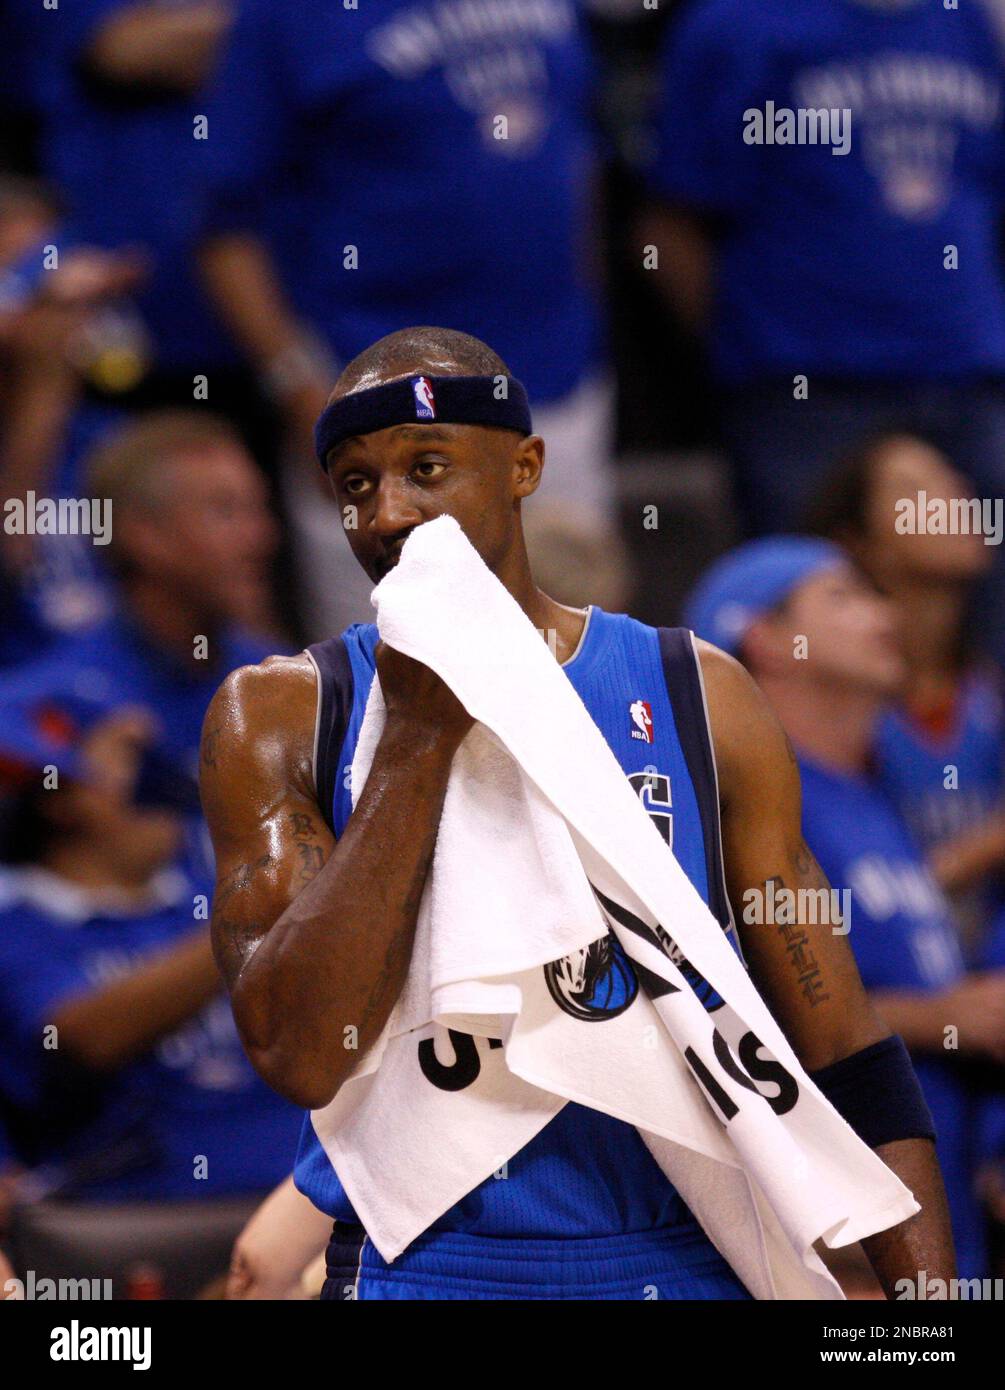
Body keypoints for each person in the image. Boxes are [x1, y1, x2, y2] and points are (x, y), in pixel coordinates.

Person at [200, 324, 951, 1301]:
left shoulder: (697, 691)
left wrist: (929, 1309)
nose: (386, 513)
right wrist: (419, 745)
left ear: (525, 465)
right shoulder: (283, 712)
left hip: (684, 1255)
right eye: (353, 486)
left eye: (426, 467)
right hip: (430, 1266)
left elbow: (841, 1040)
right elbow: (303, 1051)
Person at [197, 0, 611, 639]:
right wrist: (298, 390)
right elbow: (226, 230)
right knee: (389, 686)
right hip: (379, 410)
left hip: (552, 382)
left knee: (571, 670)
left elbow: (572, 151)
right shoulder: (286, 17)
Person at [642, 0, 1005, 665]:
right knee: (813, 639)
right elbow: (672, 224)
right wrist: (749, 356)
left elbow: (978, 187)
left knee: (983, 633)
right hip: (803, 391)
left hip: (964, 372)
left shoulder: (962, 20)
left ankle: (955, 770)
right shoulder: (738, 25)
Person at [685, 536, 1005, 1279]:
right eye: (843, 597)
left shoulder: (870, 797)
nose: (882, 614)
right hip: (831, 1253)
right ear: (763, 640)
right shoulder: (746, 813)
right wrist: (940, 1017)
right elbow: (725, 1025)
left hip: (928, 1229)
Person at [0, 699, 302, 1293]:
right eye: (130, 762)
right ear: (61, 799)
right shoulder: (21, 921)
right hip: (139, 1230)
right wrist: (261, 915)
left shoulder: (197, 892)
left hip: (302, 1202)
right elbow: (82, 1038)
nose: (164, 784)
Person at [0, 410, 284, 876]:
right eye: (226, 511)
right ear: (144, 536)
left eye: (259, 509)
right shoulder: (61, 700)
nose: (262, 537)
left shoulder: (280, 677)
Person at [805, 432, 1005, 960]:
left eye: (952, 478)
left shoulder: (988, 685)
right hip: (883, 973)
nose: (956, 494)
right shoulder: (833, 699)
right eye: (917, 487)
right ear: (863, 543)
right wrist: (976, 852)